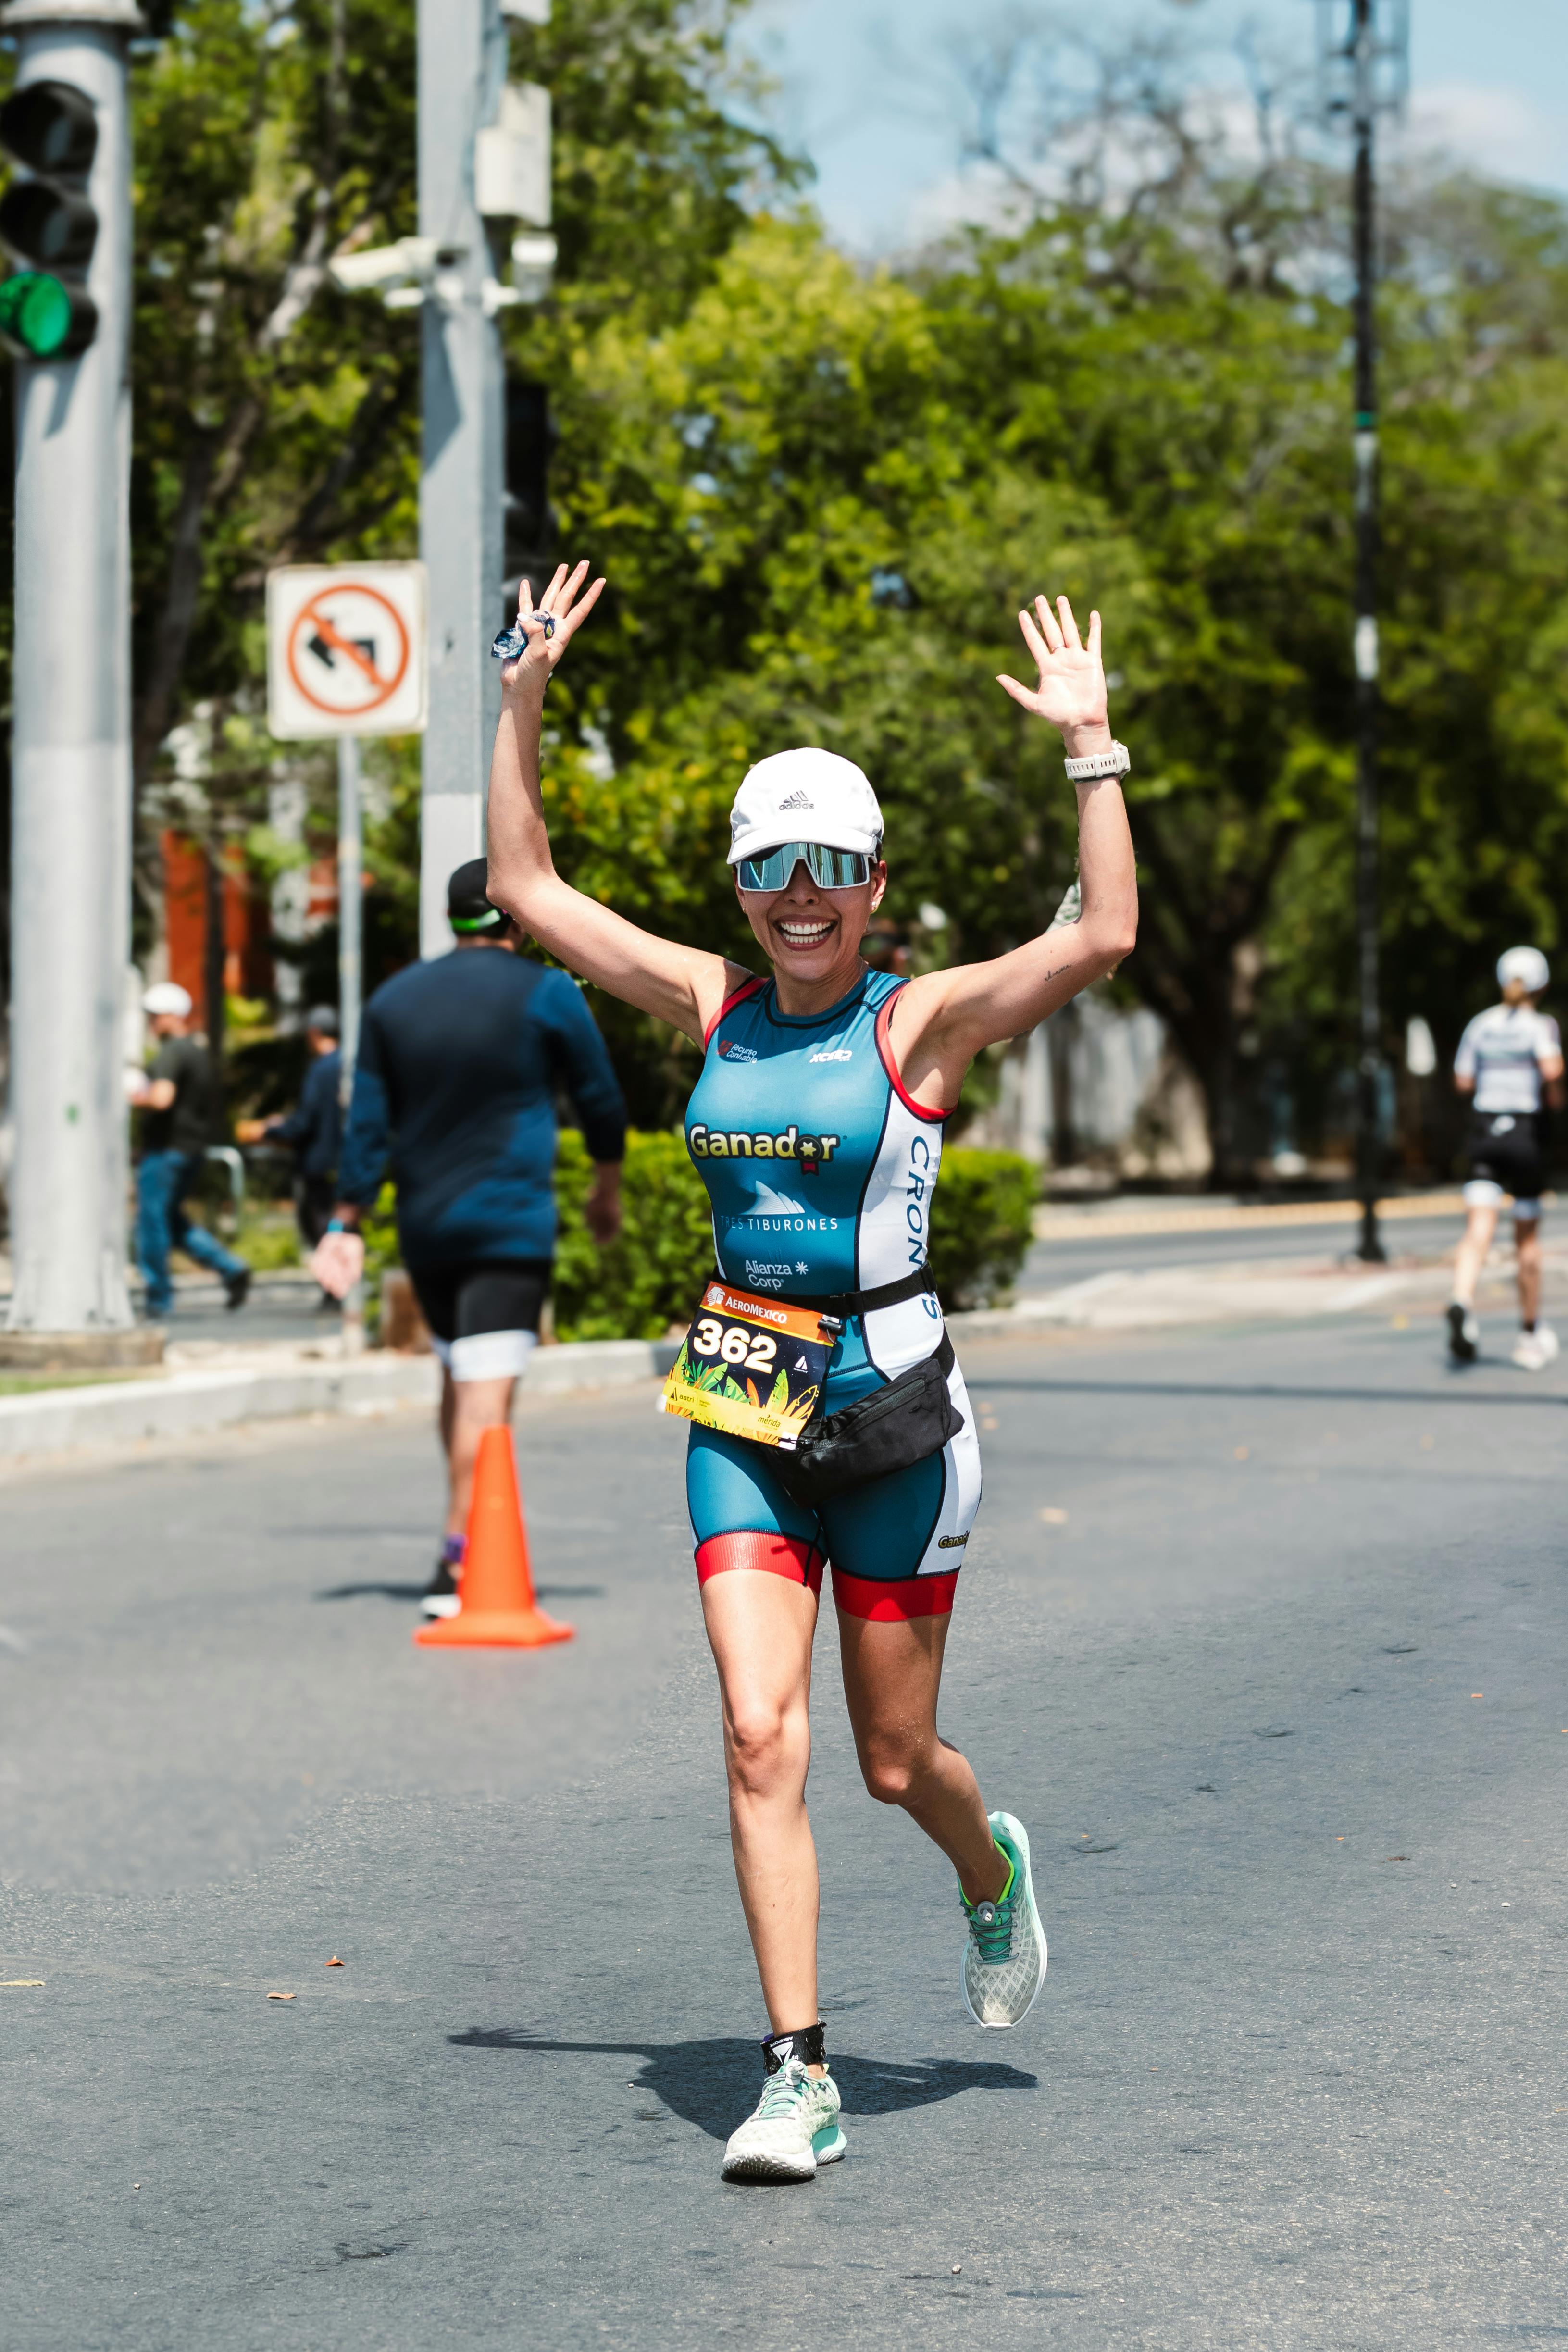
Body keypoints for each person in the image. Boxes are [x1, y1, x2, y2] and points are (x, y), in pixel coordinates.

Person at [484, 560, 1137, 2183]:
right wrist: (519, 697)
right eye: (771, 864)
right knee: (759, 1737)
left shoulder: (922, 1024)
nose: (798, 891)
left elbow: (1107, 931)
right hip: (745, 1400)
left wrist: (1090, 745)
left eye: (827, 867)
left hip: (902, 1407)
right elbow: (528, 883)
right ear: (740, 880)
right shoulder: (709, 1002)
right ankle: (797, 2073)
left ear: (870, 885)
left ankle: (990, 1873)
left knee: (892, 1759)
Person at [313, 860, 627, 1618]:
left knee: (458, 1380)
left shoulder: (394, 1000)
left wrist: (344, 1220)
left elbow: (366, 1127)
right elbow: (598, 1099)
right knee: (488, 1396)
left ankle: (457, 1543)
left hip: (427, 1230)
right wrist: (604, 1188)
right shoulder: (547, 992)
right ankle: (458, 1561)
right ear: (517, 919)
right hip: (507, 1225)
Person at [1447, 946, 1564, 1371]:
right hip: (1525, 1135)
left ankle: (1461, 1298)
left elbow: (1463, 1080)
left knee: (1478, 1230)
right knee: (1527, 1241)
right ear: (1542, 984)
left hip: (1484, 1132)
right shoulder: (1540, 1026)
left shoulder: (1480, 1025)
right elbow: (1552, 1073)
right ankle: (1529, 1335)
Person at [128, 982, 252, 1321]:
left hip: (166, 1150)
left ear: (171, 1016)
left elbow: (162, 1098)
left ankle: (159, 1297)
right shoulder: (199, 1051)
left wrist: (133, 1095)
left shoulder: (172, 1052)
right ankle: (230, 1267)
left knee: (151, 1222)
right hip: (192, 1148)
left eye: (154, 1016)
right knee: (172, 1220)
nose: (151, 1023)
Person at [235, 1005, 343, 1266]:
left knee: (320, 1223)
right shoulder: (347, 1063)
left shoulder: (319, 1070)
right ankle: (343, 1285)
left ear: (314, 1034)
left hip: (318, 1160)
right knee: (338, 1222)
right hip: (344, 1157)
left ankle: (336, 1286)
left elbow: (305, 1121)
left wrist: (268, 1130)